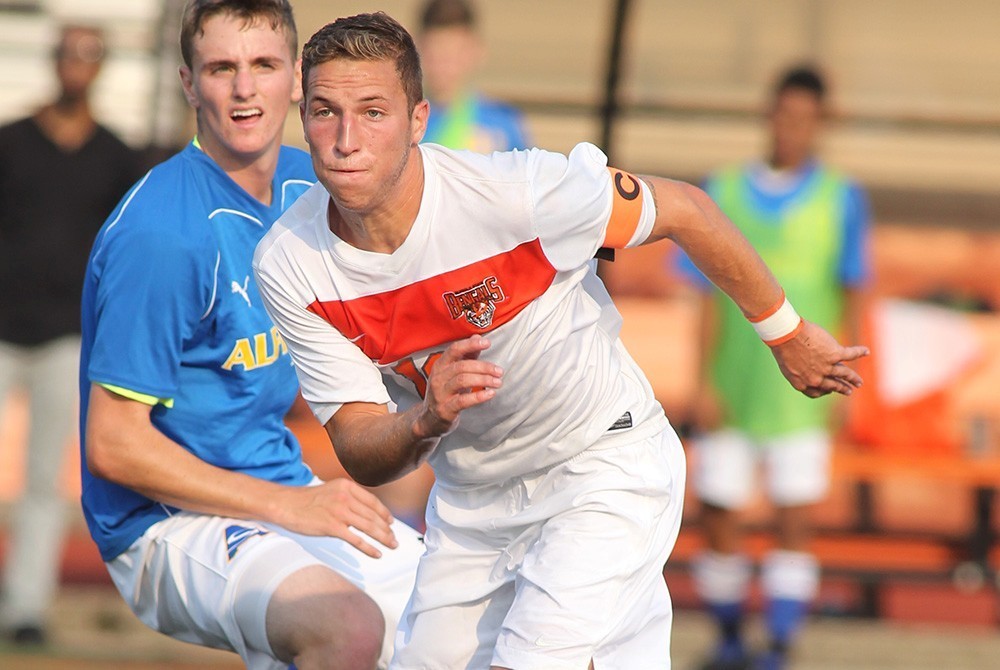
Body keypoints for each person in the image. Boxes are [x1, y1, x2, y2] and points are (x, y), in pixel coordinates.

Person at [253, 13, 867, 669]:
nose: (346, 139)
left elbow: (686, 209)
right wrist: (426, 418)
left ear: (418, 119)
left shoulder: (517, 193)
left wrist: (787, 334)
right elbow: (361, 446)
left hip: (601, 465)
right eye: (325, 111)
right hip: (471, 507)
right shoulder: (289, 262)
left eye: (372, 111)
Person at [78, 2, 423, 669]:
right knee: (346, 628)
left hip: (281, 487)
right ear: (187, 83)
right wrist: (292, 504)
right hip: (164, 521)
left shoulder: (312, 186)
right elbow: (113, 444)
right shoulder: (162, 233)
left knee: (461, 614)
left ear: (296, 78)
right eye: (220, 68)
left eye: (263, 64)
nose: (243, 89)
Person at [675, 65, 870, 670]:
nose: (792, 128)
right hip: (736, 381)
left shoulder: (842, 199)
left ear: (820, 124)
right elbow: (705, 295)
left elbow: (854, 288)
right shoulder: (724, 191)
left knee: (793, 514)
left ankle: (780, 644)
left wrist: (852, 380)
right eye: (784, 114)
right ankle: (730, 635)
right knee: (720, 512)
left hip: (803, 392)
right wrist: (702, 377)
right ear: (769, 114)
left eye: (805, 118)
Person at [0, 24, 142, 645]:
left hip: (67, 336)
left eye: (90, 53)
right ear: (53, 61)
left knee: (43, 483)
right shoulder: (10, 143)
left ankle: (25, 608)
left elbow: (123, 254)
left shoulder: (116, 155)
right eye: (68, 53)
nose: (77, 64)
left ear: (102, 65)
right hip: (2, 329)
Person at [417, 0, 529, 152]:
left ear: (476, 51)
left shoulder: (502, 125)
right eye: (435, 55)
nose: (444, 66)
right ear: (418, 50)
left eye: (454, 55)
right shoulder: (407, 122)